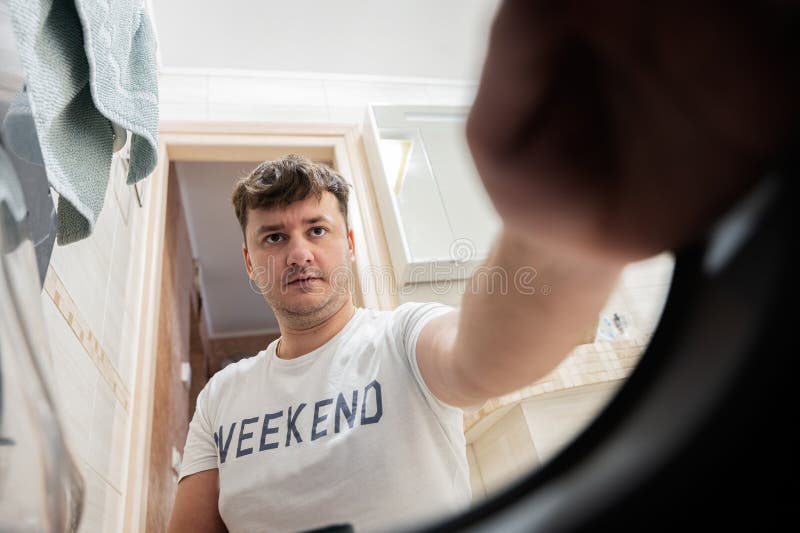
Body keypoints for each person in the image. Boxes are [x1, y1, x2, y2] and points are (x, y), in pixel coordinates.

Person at [168, 1, 799, 531]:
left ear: (351, 243)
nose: (299, 252)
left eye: (316, 229)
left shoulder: (400, 337)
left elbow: (481, 356)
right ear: (250, 264)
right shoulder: (222, 397)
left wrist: (565, 210)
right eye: (274, 238)